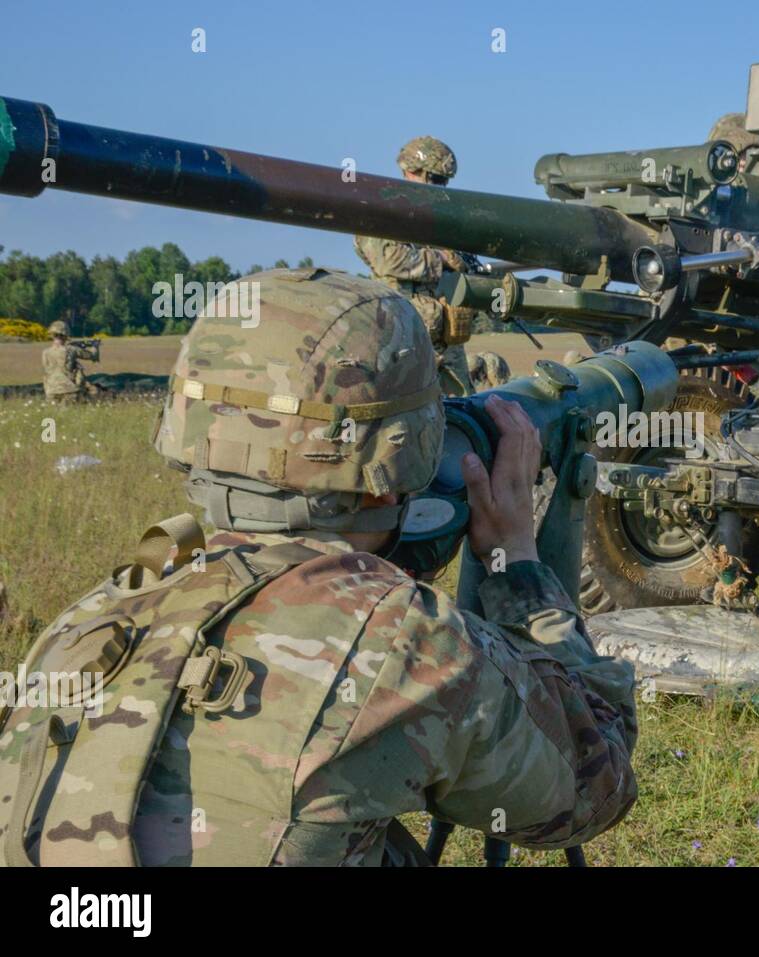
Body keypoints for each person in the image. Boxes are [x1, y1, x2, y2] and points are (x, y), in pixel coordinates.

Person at [0, 267, 637, 866]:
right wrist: (517, 567)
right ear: (398, 466)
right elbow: (592, 791)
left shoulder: (91, 618)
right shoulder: (407, 644)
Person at [354, 136, 477, 396]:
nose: (440, 187)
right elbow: (388, 259)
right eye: (433, 179)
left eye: (444, 181)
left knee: (464, 410)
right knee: (406, 410)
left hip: (447, 337)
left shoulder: (443, 217)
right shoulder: (384, 211)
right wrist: (440, 260)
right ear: (410, 171)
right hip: (403, 334)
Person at [41, 319, 98, 402]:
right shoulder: (71, 350)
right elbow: (92, 356)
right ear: (66, 334)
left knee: (53, 414)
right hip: (69, 390)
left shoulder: (45, 352)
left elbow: (46, 371)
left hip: (51, 391)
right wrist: (95, 346)